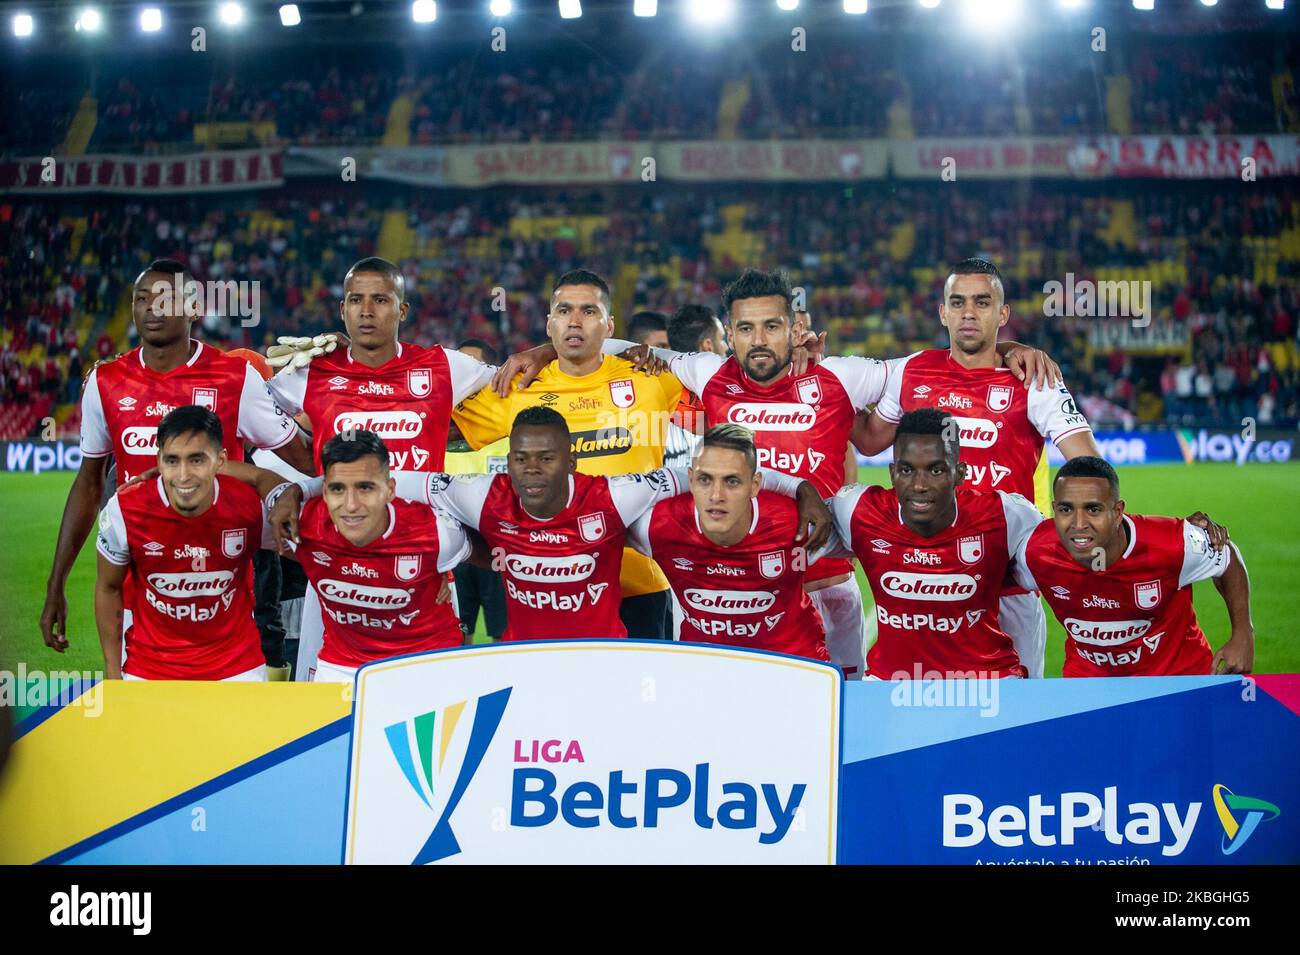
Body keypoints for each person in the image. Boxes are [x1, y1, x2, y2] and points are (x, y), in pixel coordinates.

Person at [579, 268, 1056, 679]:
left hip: (827, 588)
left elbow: (941, 362)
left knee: (843, 713)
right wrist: (541, 353)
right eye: (745, 328)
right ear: (730, 330)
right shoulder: (707, 373)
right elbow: (607, 344)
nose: (759, 340)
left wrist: (1008, 346)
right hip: (735, 593)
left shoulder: (841, 376)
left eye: (772, 326)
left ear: (794, 328)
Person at [273, 408, 829, 643]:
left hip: (603, 662)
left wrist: (798, 487)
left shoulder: (615, 496)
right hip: (525, 659)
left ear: (571, 460)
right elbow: (391, 477)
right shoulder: (480, 496)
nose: (531, 470)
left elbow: (705, 468)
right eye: (521, 458)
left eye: (545, 457)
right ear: (508, 460)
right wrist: (298, 487)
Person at [43, 258, 314, 658]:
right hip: (139, 594)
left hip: (224, 595)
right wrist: (56, 585)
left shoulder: (234, 379)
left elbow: (308, 459)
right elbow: (88, 482)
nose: (152, 307)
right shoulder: (106, 382)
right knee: (141, 717)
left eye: (166, 299)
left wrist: (345, 372)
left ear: (194, 308)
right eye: (142, 298)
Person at [852, 257, 1100, 678]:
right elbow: (870, 439)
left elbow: (1088, 466)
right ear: (942, 311)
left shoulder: (1033, 380)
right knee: (914, 712)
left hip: (1007, 587)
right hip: (923, 580)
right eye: (958, 301)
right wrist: (827, 398)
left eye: (982, 302)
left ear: (1002, 314)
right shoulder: (911, 370)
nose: (969, 312)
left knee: (1012, 721)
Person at [264, 257, 497, 678]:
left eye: (380, 300)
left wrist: (540, 351)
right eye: (355, 300)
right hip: (337, 570)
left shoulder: (443, 367)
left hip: (425, 565)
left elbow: (516, 380)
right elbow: (252, 416)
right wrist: (303, 479)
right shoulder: (312, 372)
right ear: (342, 311)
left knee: (431, 713)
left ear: (402, 310)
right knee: (329, 714)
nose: (366, 311)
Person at [455, 270, 686, 640]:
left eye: (589, 311)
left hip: (639, 584)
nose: (575, 320)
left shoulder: (651, 377)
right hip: (550, 587)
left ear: (609, 325)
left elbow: (725, 377)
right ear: (549, 324)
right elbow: (432, 421)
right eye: (564, 311)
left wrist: (654, 352)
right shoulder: (518, 388)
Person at [822, 408, 1045, 679]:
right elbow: (784, 531)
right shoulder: (856, 511)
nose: (919, 485)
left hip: (986, 686)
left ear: (960, 473)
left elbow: (1062, 563)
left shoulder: (1006, 516)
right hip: (890, 687)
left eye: (936, 470)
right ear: (892, 473)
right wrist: (798, 489)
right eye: (906, 470)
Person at [94, 406, 285, 681]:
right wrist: (113, 674)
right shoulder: (125, 509)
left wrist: (261, 478)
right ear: (158, 460)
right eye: (172, 461)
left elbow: (311, 546)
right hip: (149, 670)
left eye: (196, 460)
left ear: (221, 461)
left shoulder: (250, 507)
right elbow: (107, 586)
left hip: (237, 668)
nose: (183, 476)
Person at [1015, 456, 1252, 676]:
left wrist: (1242, 634)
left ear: (1117, 512)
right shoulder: (1035, 552)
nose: (1079, 524)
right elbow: (992, 580)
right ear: (1055, 509)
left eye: (1093, 509)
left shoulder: (1173, 543)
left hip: (1178, 682)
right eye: (1066, 509)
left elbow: (1227, 557)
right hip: (1090, 687)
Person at [625, 423, 828, 660]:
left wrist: (800, 487)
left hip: (795, 668)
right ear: (690, 480)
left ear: (755, 486)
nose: (716, 496)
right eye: (704, 480)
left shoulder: (798, 523)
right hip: (706, 670)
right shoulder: (657, 526)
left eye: (732, 482)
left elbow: (869, 536)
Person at [446, 339, 508, 642]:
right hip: (452, 546)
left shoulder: (505, 419)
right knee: (457, 634)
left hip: (496, 544)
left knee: (501, 636)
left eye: (470, 366)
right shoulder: (436, 423)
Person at [663, 304, 727, 468]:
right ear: (708, 346)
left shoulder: (657, 394)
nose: (726, 346)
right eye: (722, 339)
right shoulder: (727, 406)